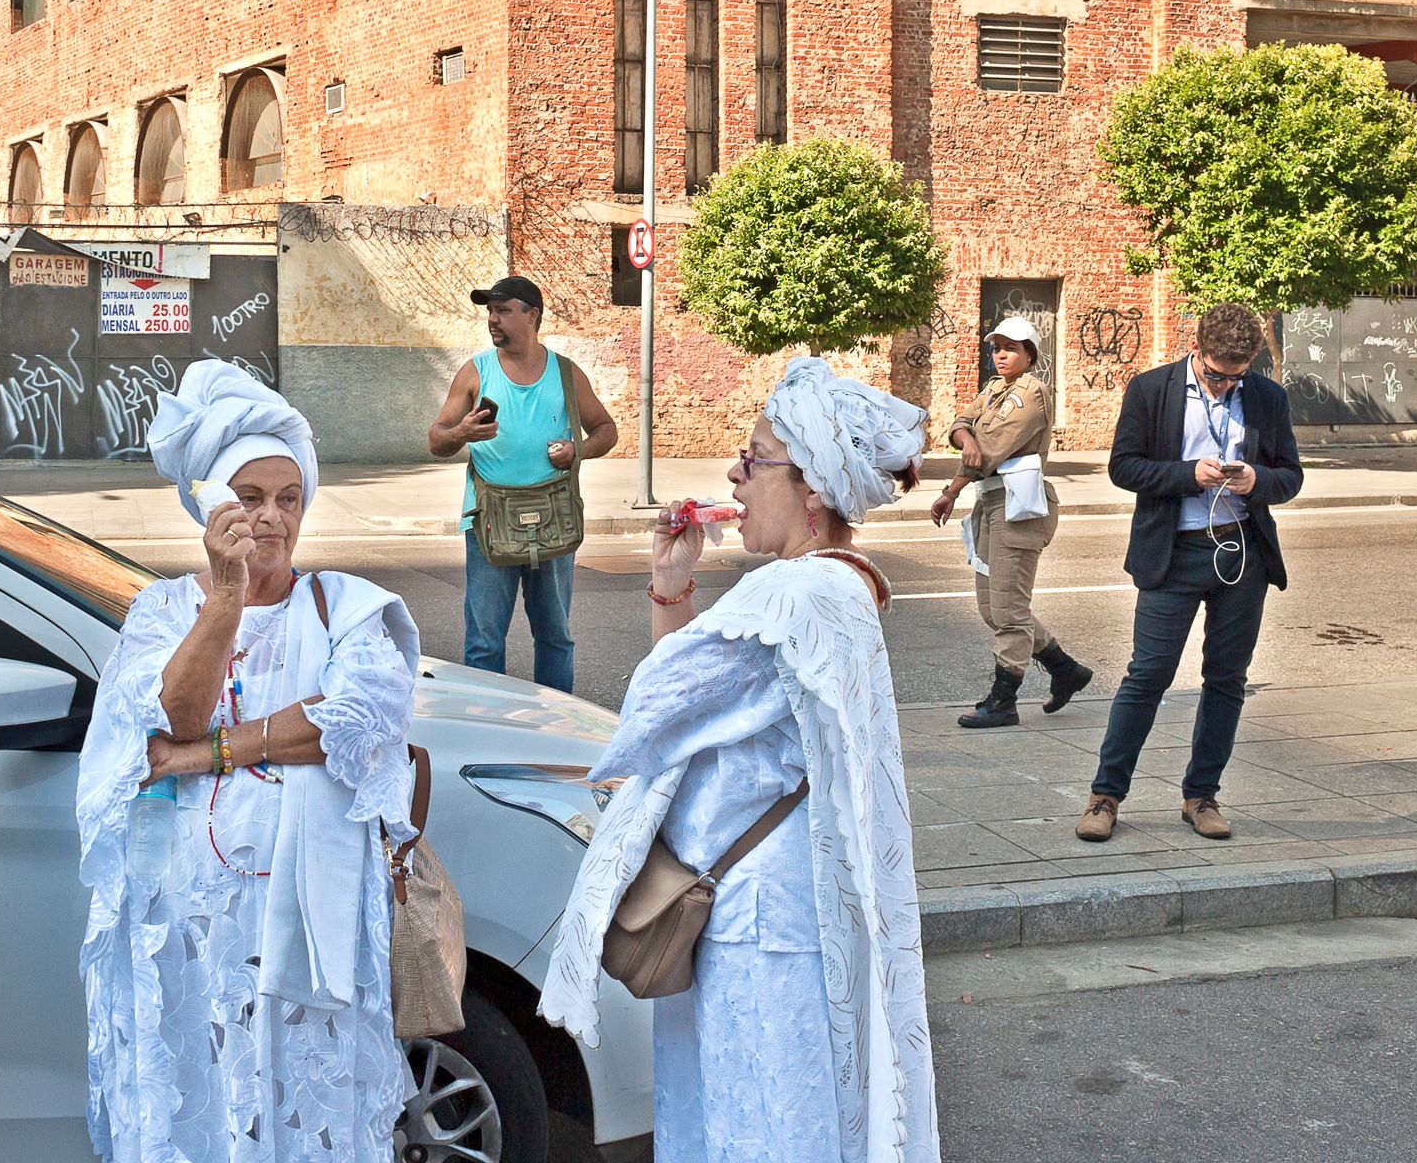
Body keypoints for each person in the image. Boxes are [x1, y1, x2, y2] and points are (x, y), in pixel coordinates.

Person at [540, 358, 941, 1163]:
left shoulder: (791, 596)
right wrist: (672, 586)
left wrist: (669, 597)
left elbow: (651, 713)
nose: (735, 473)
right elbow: (689, 718)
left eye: (755, 458)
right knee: (775, 1112)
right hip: (775, 906)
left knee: (753, 1121)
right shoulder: (839, 587)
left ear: (813, 487)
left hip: (758, 923)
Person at [77, 360, 421, 1161]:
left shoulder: (345, 608)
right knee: (206, 1105)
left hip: (309, 933)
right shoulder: (165, 612)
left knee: (303, 1111)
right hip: (195, 940)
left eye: (289, 498)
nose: (271, 517)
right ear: (212, 506)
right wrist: (226, 597)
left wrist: (205, 754)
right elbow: (169, 717)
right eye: (251, 496)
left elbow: (351, 720)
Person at [1076, 302, 1304, 844]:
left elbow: (1291, 475)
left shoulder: (1267, 397)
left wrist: (1257, 480)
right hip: (1172, 552)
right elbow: (1123, 466)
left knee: (1227, 679)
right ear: (1195, 350)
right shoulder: (1151, 389)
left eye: (1237, 378)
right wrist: (1186, 474)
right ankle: (1106, 796)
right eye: (1216, 376)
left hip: (1241, 552)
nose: (1226, 386)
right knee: (1147, 675)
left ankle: (1201, 795)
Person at [428, 275, 617, 693]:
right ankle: (488, 724)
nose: (493, 319)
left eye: (503, 311)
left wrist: (577, 450)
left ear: (532, 316)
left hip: (553, 519)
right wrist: (461, 432)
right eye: (490, 312)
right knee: (483, 643)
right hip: (488, 522)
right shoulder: (475, 372)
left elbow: (606, 429)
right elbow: (436, 440)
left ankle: (556, 722)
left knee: (554, 637)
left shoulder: (565, 373)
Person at [931, 314, 1091, 727]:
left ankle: (1003, 701)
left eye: (1011, 348)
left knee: (1010, 612)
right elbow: (959, 426)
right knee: (993, 608)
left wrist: (951, 489)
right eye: (997, 348)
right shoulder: (993, 390)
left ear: (1030, 355)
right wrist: (964, 438)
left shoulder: (1030, 394)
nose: (1001, 355)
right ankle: (1065, 669)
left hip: (1017, 508)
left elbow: (987, 450)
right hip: (991, 503)